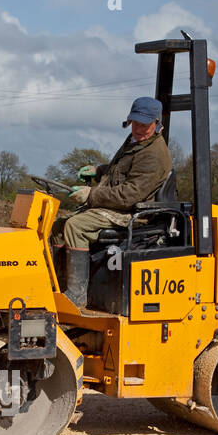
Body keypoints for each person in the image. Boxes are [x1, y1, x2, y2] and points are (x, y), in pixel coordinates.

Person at [58, 97, 172, 306]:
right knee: (57, 225)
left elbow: (130, 194)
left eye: (144, 124)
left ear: (157, 122)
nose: (138, 128)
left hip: (128, 211)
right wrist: (99, 170)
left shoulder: (154, 155)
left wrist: (91, 194)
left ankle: (77, 295)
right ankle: (56, 286)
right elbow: (120, 171)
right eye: (135, 123)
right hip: (115, 204)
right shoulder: (136, 141)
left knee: (75, 226)